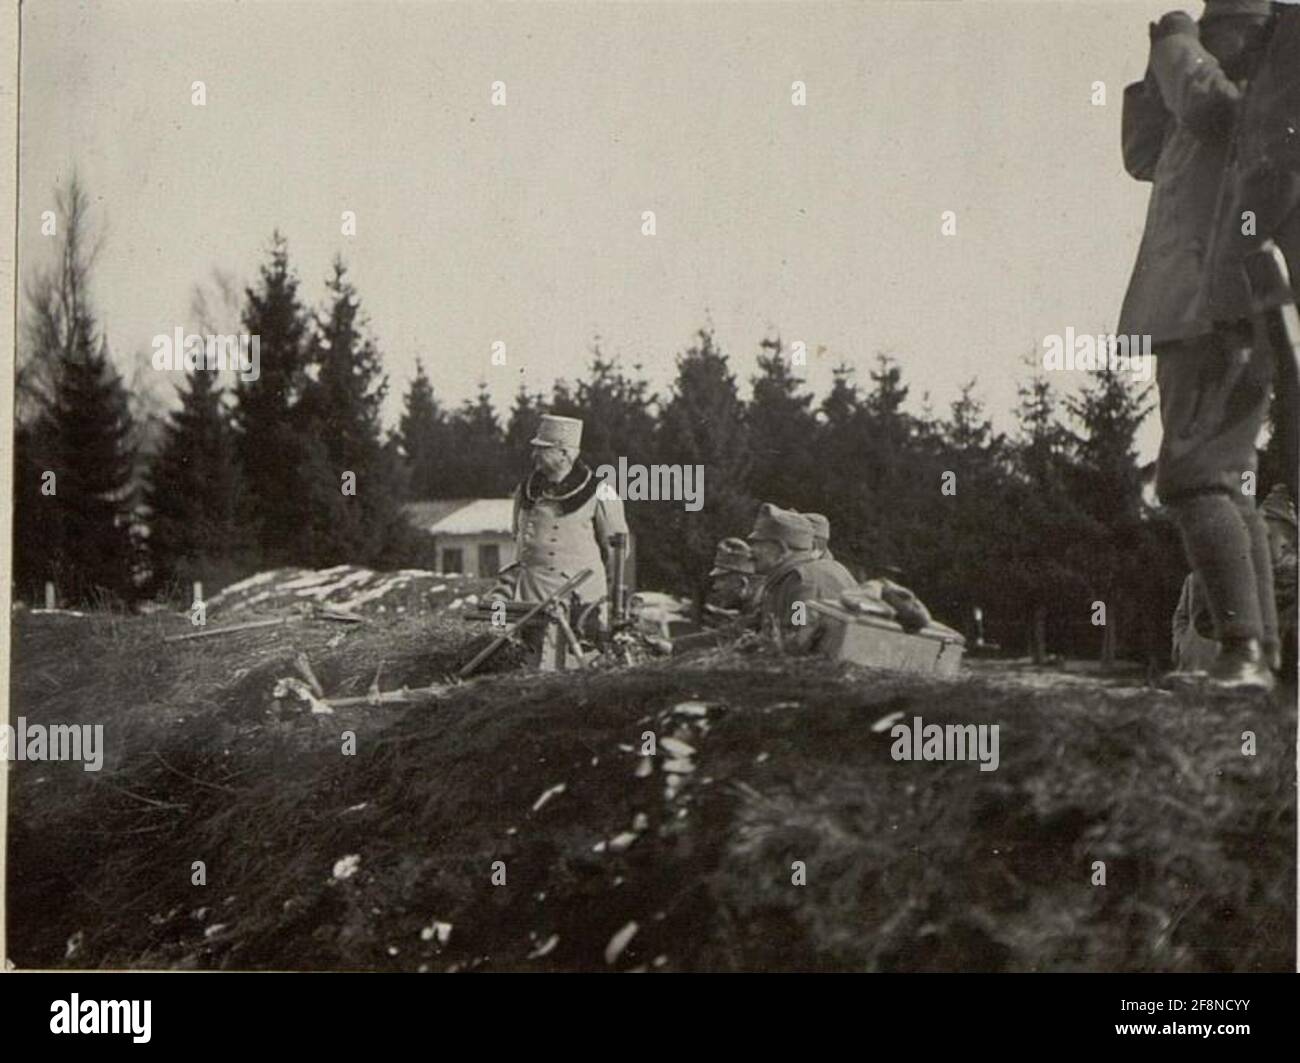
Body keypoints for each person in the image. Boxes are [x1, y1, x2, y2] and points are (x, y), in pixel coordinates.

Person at [1120, 2, 1282, 691]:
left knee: (1193, 477)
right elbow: (1141, 156)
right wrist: (1157, 69)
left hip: (1218, 312)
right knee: (1223, 482)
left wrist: (1181, 48)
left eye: (1223, 32)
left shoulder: (1259, 96)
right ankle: (1255, 656)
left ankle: (1246, 651)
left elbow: (1214, 108)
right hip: (1199, 312)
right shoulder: (1207, 94)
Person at [490, 414, 628, 659]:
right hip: (529, 597)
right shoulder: (525, 490)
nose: (534, 456)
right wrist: (499, 610)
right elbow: (520, 542)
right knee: (519, 658)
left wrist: (606, 603)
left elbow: (617, 552)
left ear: (564, 453)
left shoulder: (602, 493)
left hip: (579, 602)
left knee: (577, 666)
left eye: (542, 450)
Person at [747, 503, 857, 654]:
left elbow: (797, 639)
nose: (750, 553)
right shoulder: (788, 577)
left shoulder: (801, 581)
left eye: (758, 544)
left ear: (781, 548)